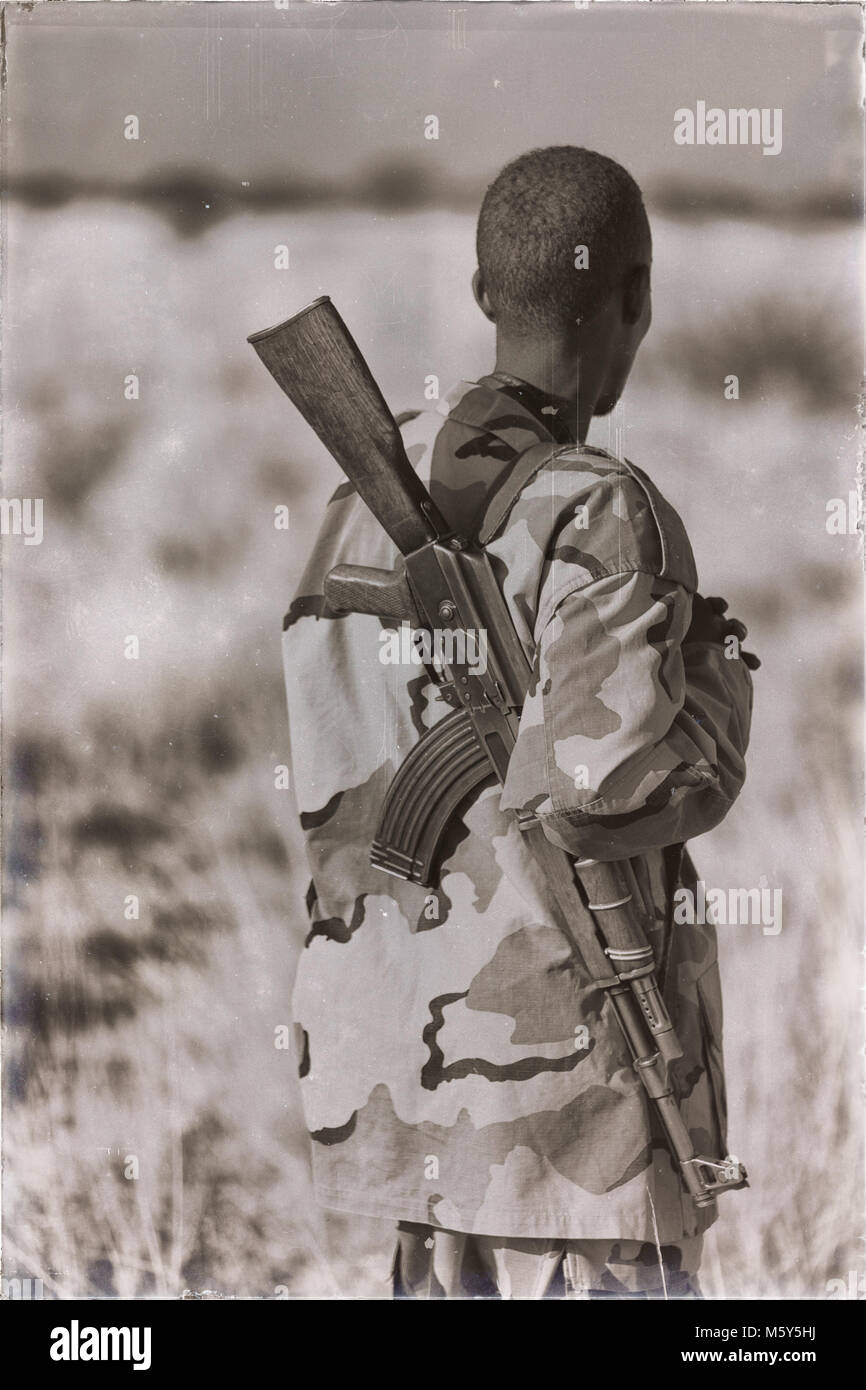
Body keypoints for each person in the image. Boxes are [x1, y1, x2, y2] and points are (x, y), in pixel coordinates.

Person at [281, 146, 757, 1299]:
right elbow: (596, 796)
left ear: (482, 292)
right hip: (567, 1105)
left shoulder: (355, 501)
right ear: (634, 298)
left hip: (403, 1075)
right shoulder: (598, 505)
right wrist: (718, 685)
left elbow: (333, 747)